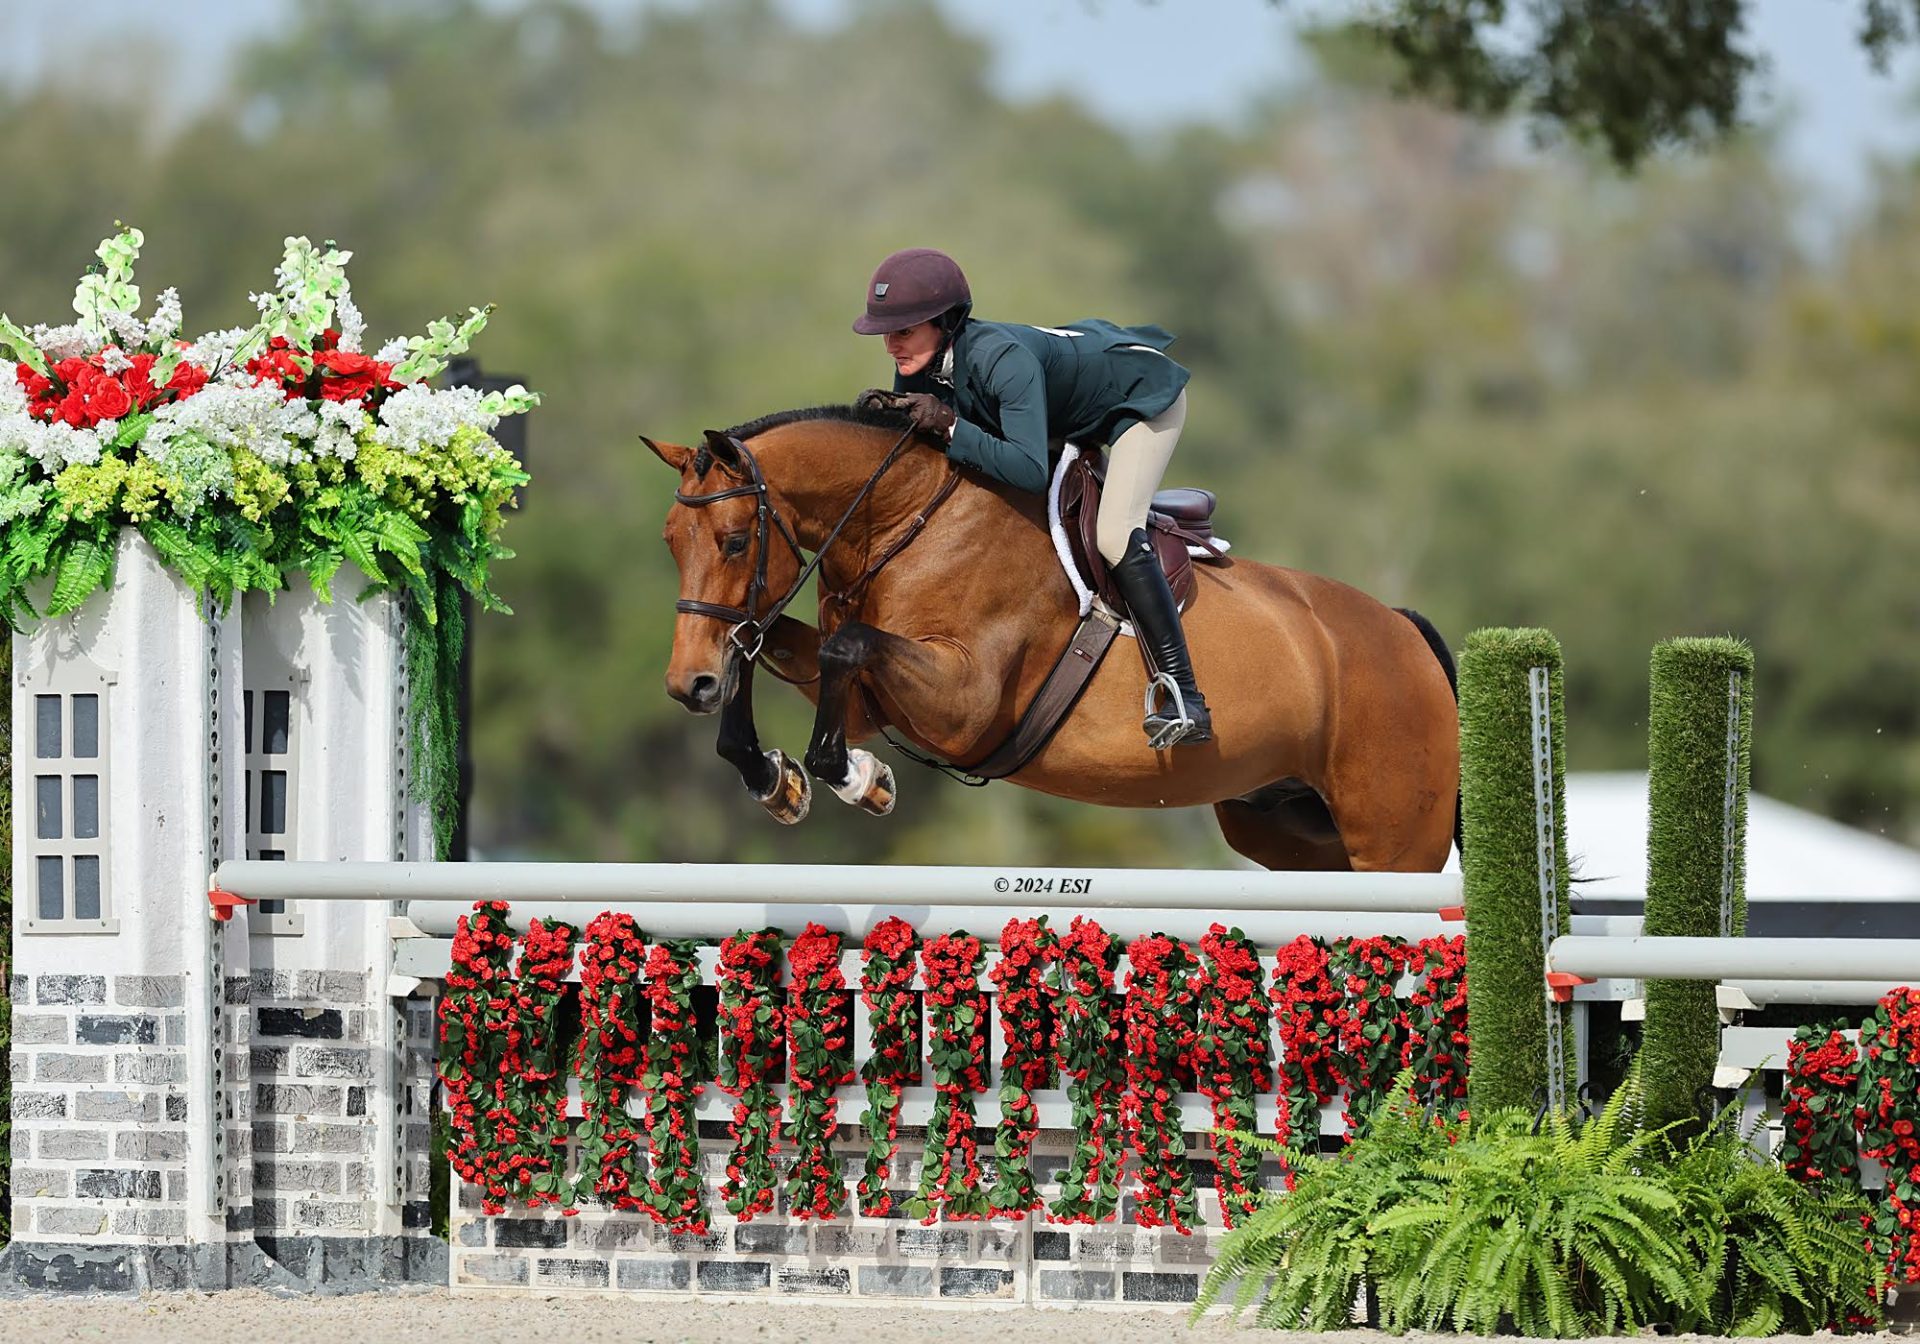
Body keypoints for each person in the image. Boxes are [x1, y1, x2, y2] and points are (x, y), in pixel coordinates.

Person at [852, 246, 1211, 748]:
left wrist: (950, 424)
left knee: (1113, 534)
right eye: (886, 333)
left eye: (903, 331)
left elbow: (1027, 468)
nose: (891, 345)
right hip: (1070, 403)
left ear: (946, 322)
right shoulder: (920, 363)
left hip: (1140, 399)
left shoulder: (1001, 361)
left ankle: (1184, 695)